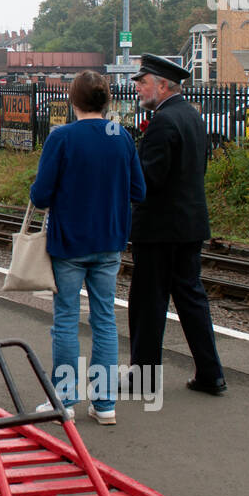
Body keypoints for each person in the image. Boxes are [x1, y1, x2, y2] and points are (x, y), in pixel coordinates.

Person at [30, 71, 146, 424]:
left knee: (66, 320)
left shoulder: (62, 137)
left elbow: (40, 195)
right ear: (106, 100)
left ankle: (63, 401)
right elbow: (138, 192)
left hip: (69, 244)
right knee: (105, 322)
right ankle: (105, 403)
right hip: (109, 242)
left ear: (73, 100)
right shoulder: (121, 137)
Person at [128, 54, 227, 396]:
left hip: (159, 229)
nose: (138, 87)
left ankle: (143, 380)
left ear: (163, 84)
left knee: (148, 301)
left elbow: (147, 180)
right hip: (190, 224)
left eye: (144, 81)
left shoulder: (163, 122)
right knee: (191, 298)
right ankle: (211, 373)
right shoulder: (192, 117)